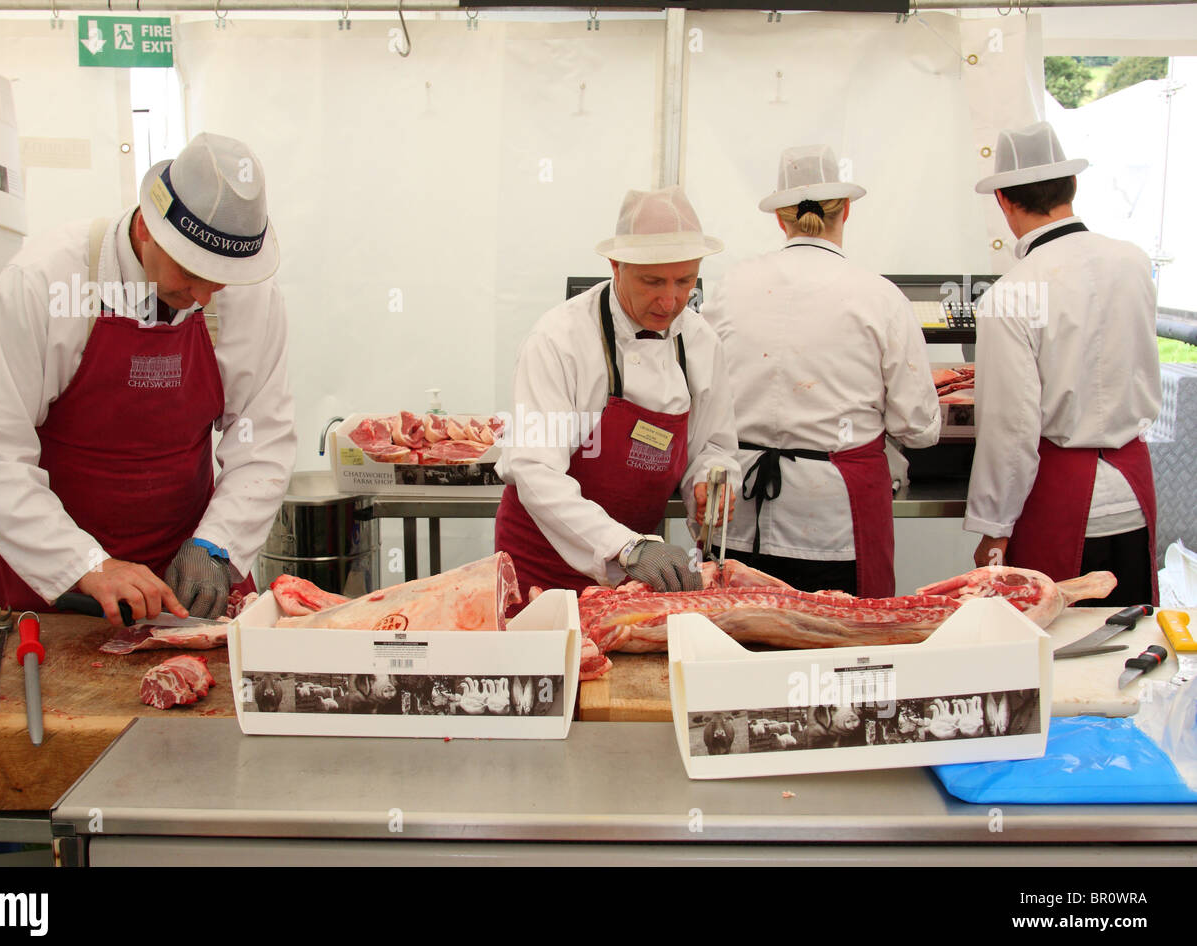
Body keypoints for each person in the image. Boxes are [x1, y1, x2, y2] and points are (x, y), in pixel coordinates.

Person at [0, 133, 296, 624]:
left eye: (218, 280)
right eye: (190, 273)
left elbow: (262, 438)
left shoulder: (250, 293)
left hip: (188, 575)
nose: (204, 297)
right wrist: (83, 565)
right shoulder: (45, 282)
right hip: (57, 576)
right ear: (145, 229)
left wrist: (216, 545)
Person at [702, 145, 940, 597]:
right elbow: (918, 427)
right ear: (845, 210)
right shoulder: (880, 295)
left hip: (739, 514)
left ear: (780, 218)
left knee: (738, 650)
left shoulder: (731, 285)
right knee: (843, 652)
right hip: (835, 519)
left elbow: (702, 388)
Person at [494, 186, 740, 599]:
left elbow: (713, 445)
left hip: (636, 575)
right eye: (652, 281)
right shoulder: (559, 340)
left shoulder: (701, 342)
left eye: (685, 280)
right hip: (541, 566)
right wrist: (626, 546)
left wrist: (710, 484)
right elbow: (536, 470)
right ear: (615, 265)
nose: (670, 299)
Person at [966, 121, 1161, 605]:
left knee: (1055, 649)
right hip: (1134, 492)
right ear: (1073, 186)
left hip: (1061, 500)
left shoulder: (1010, 295)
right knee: (1127, 636)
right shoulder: (1134, 262)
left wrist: (993, 529)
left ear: (1004, 201)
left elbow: (1011, 431)